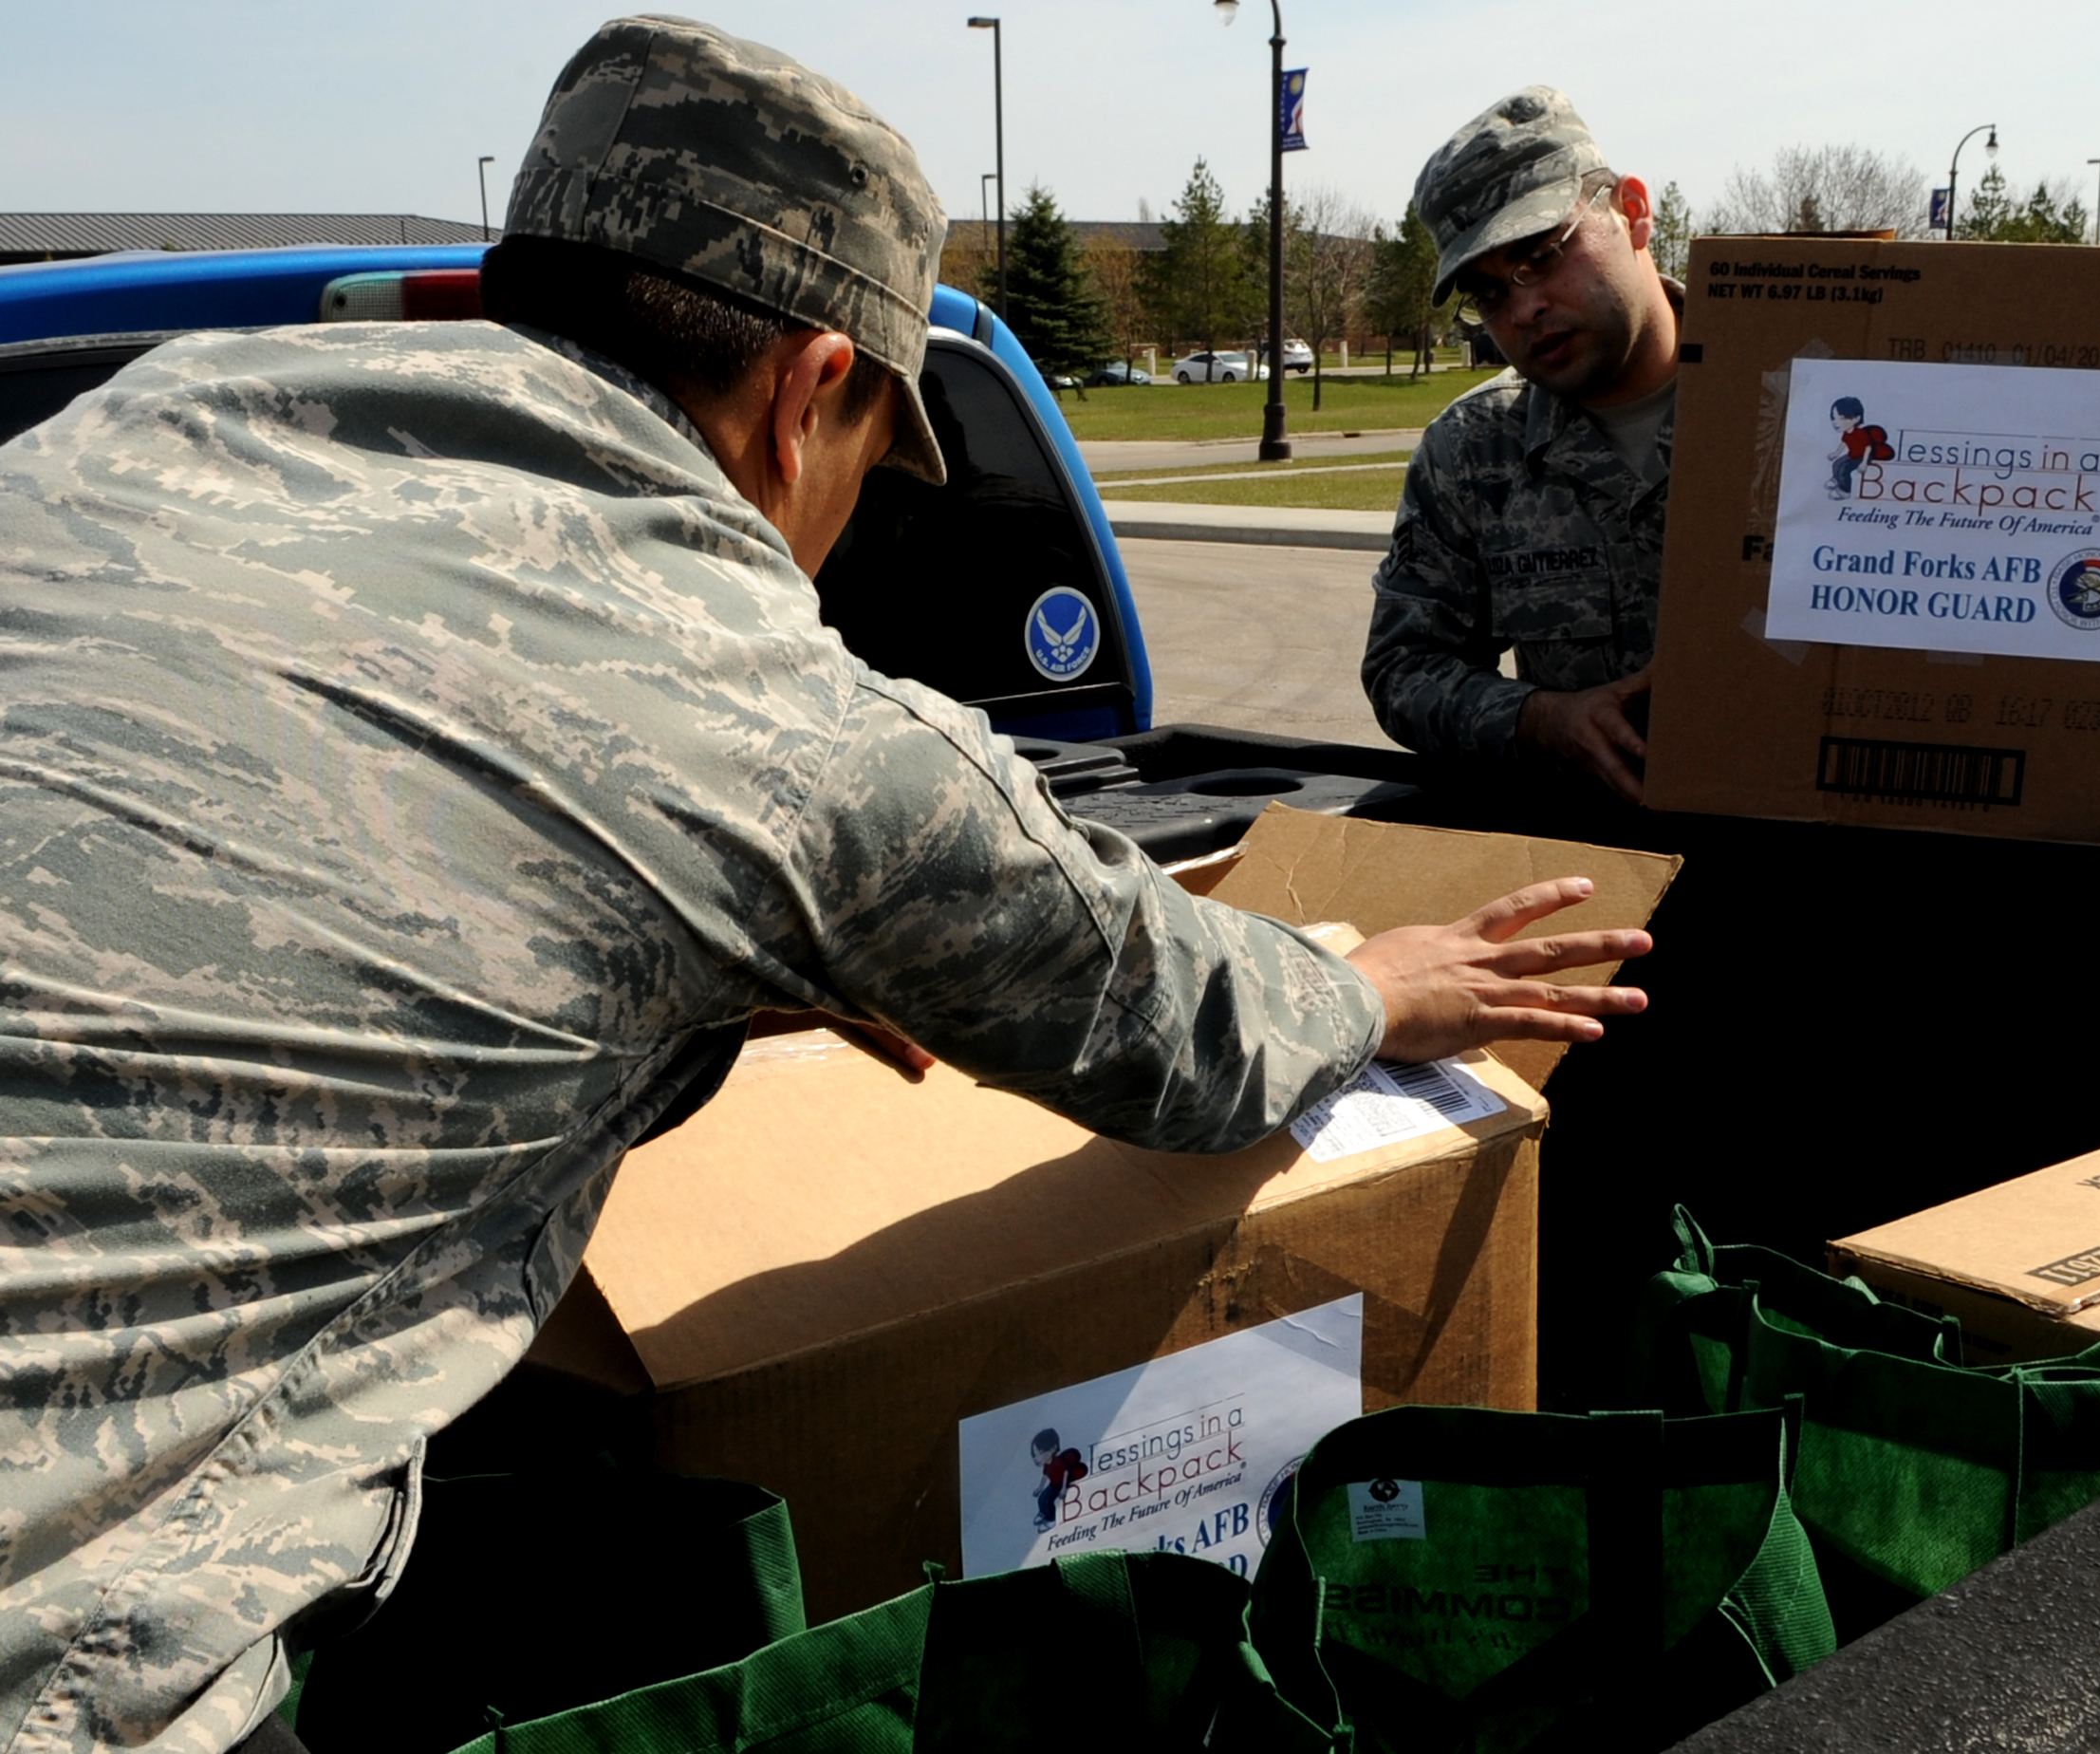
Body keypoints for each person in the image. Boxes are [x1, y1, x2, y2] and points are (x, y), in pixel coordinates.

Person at [0, 22, 1649, 1752]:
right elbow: (1175, 1027)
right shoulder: (754, 701)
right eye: (876, 459)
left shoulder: (148, 426)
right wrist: (1375, 988)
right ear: (806, 393)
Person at [1362, 87, 2100, 804]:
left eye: (1543, 254)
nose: (1521, 306)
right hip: (1610, 881)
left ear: (1633, 210)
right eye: (1487, 292)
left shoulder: (1828, 379)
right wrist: (1543, 720)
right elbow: (1405, 668)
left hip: (1860, 865)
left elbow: (2029, 518)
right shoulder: (1470, 452)